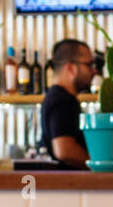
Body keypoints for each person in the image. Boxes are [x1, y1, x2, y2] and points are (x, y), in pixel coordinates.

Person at [39, 39, 102, 168]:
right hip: (68, 185)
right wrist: (98, 166)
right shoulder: (62, 100)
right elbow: (64, 151)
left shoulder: (60, 97)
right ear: (71, 68)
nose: (94, 71)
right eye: (89, 65)